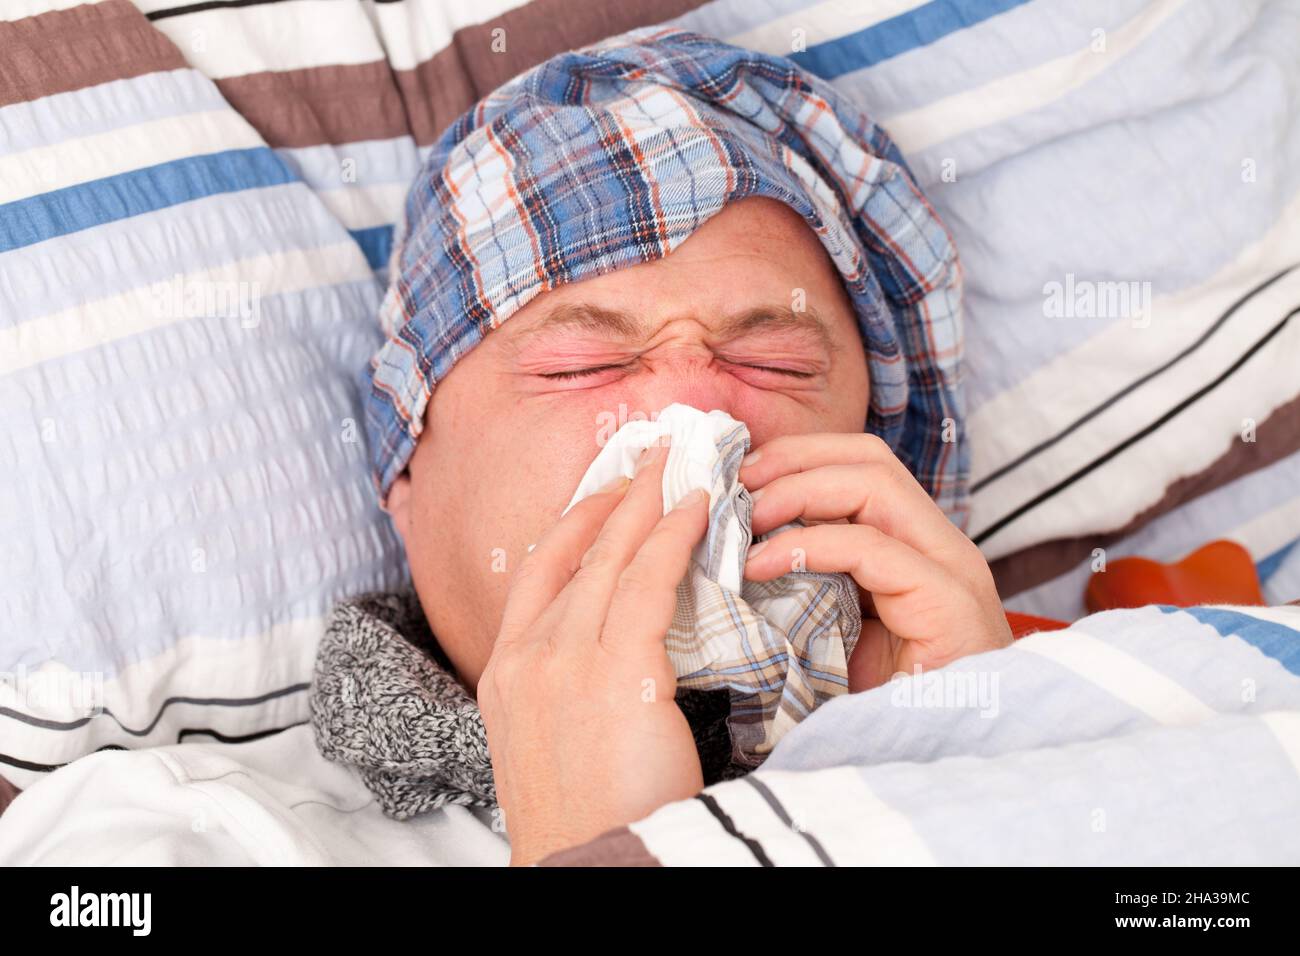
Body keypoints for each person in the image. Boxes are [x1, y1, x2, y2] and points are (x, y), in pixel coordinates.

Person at [362, 28, 1012, 866]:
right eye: (581, 367)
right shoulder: (206, 830)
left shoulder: (1063, 687)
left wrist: (981, 772)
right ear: (406, 485)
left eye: (772, 364)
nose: (695, 410)